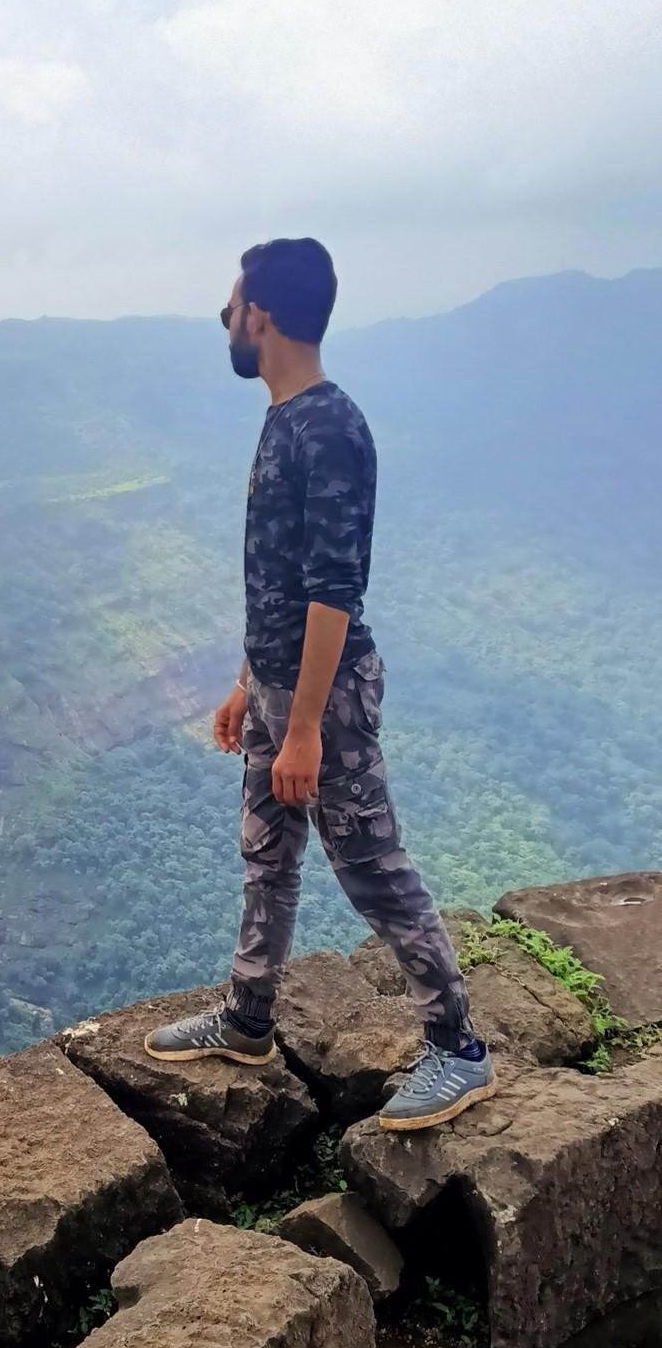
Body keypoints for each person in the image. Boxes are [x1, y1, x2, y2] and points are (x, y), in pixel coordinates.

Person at [144, 238, 496, 1132]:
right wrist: (244, 682)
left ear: (260, 316)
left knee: (370, 864)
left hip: (322, 694)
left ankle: (458, 1051)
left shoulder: (329, 428)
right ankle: (249, 1020)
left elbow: (333, 591)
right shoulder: (286, 416)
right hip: (277, 684)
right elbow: (279, 578)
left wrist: (303, 726)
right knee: (267, 855)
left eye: (230, 306)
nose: (223, 320)